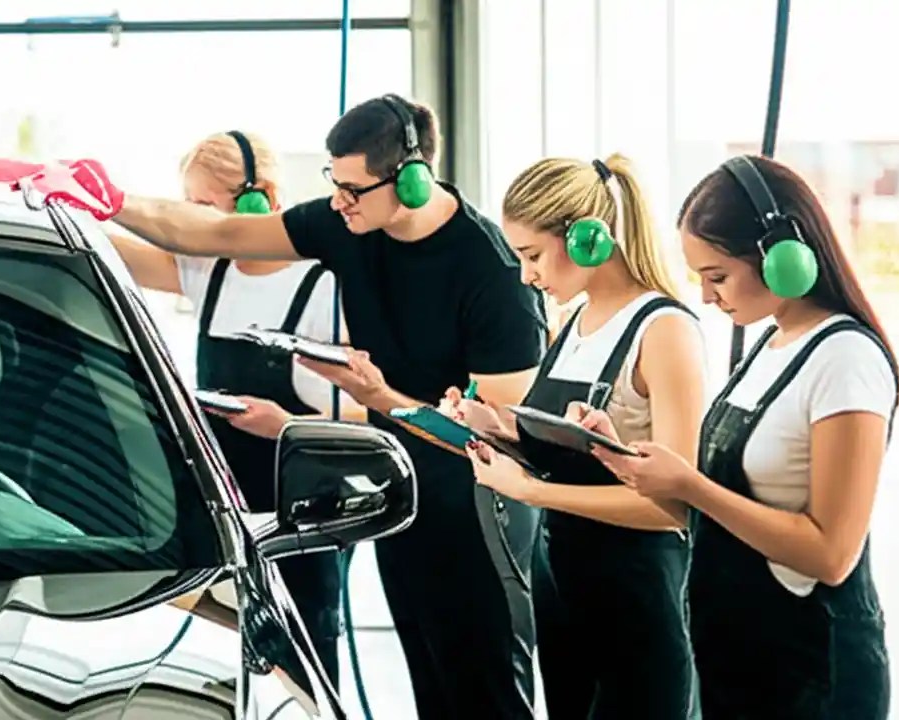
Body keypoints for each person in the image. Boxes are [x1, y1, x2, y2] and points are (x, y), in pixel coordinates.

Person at [31, 94, 549, 718]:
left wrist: (378, 399)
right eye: (334, 183)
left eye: (353, 188)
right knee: (432, 689)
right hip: (405, 500)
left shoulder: (491, 275)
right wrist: (110, 201)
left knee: (485, 692)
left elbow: (494, 440)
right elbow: (218, 232)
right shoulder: (348, 225)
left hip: (475, 512)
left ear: (412, 180)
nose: (338, 201)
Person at [591, 155, 899, 719]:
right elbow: (723, 521)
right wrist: (630, 462)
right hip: (742, 663)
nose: (707, 298)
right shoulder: (771, 343)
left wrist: (693, 485)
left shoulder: (845, 358)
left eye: (717, 277)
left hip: (814, 676)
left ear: (784, 260)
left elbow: (831, 554)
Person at [443, 153, 705, 718]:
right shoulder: (572, 324)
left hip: (637, 592)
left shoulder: (663, 331)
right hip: (562, 583)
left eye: (532, 255)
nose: (525, 275)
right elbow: (565, 444)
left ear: (589, 239)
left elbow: (674, 504)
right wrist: (499, 425)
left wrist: (532, 492)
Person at [103, 129, 362, 686]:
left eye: (202, 205)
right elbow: (120, 255)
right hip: (231, 508)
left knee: (304, 659)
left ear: (258, 199)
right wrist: (75, 199)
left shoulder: (324, 285)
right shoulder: (209, 269)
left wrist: (284, 424)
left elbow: (372, 415)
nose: (192, 221)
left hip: (303, 512)